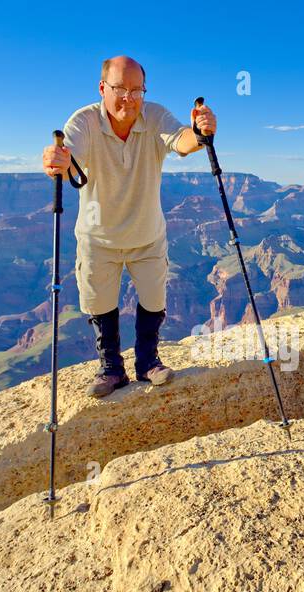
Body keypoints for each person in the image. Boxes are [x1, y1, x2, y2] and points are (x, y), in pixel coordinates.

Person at [42, 55, 216, 397]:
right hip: (98, 238)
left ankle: (148, 361)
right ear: (103, 87)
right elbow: (66, 161)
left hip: (147, 236)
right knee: (99, 302)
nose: (129, 98)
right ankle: (111, 368)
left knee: (154, 299)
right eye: (121, 88)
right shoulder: (84, 121)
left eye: (137, 90)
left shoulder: (153, 116)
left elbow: (182, 140)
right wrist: (56, 162)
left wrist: (200, 132)